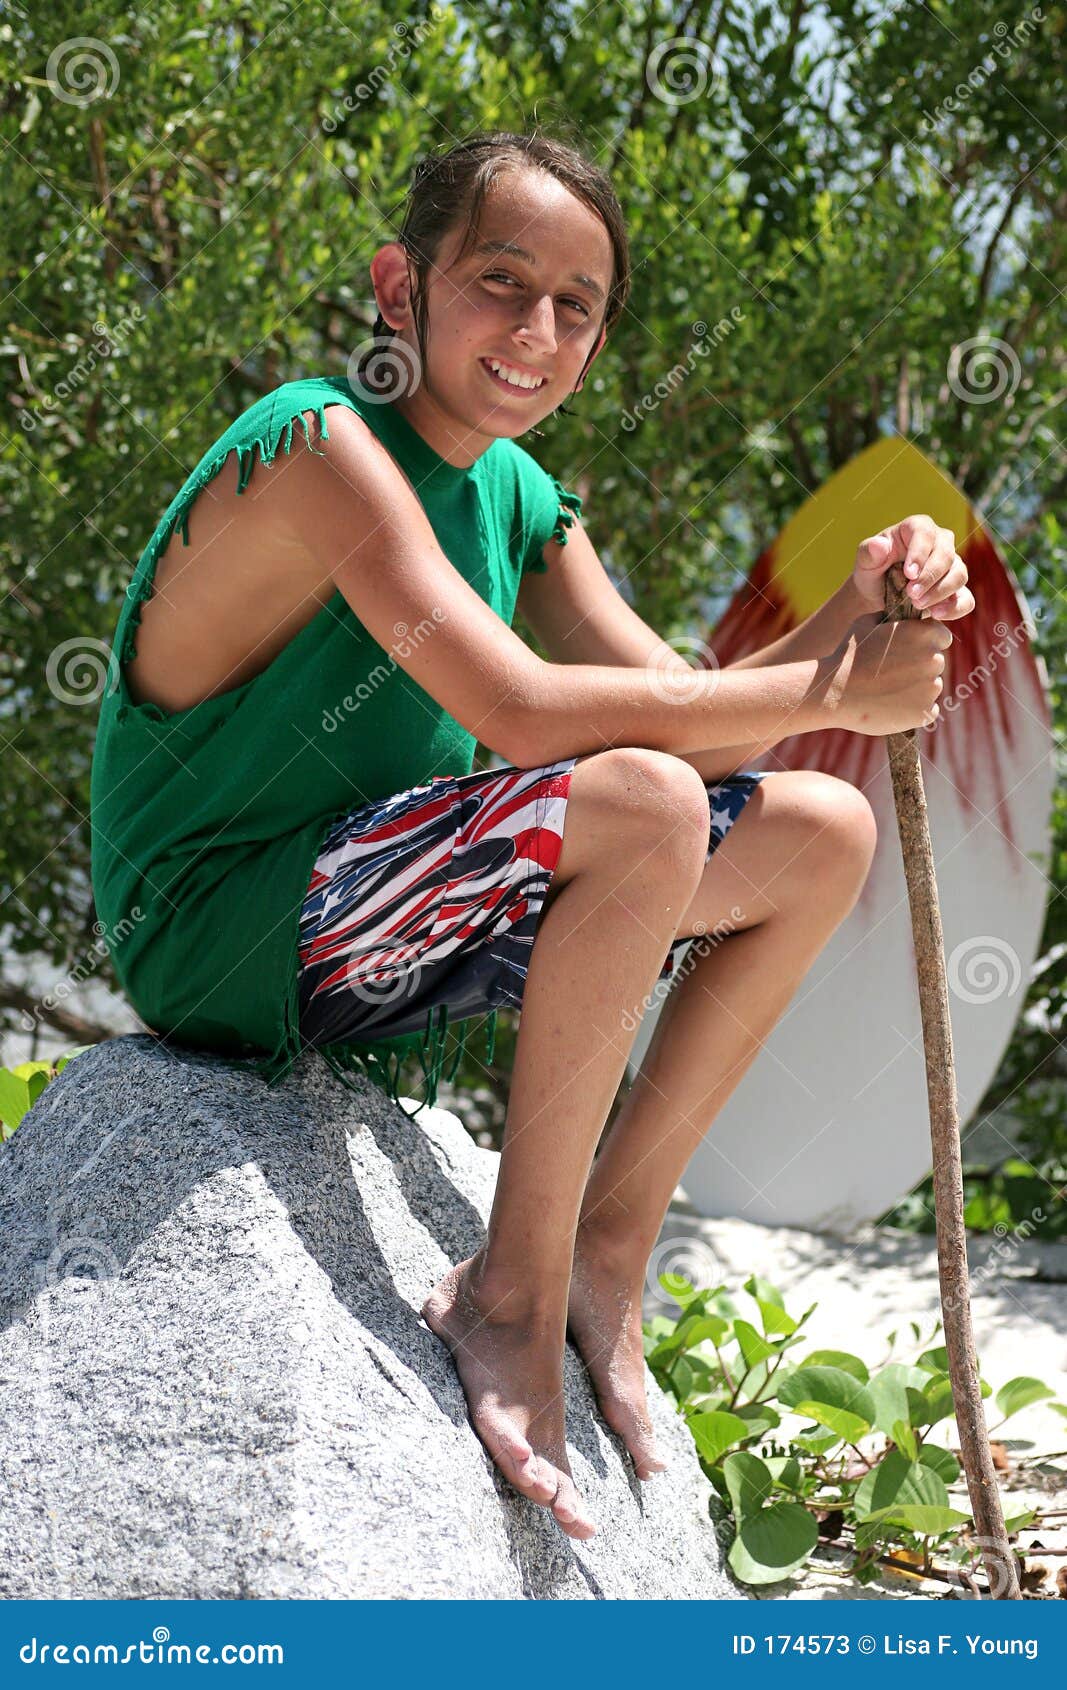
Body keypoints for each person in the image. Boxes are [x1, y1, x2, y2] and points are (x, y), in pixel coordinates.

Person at [90, 128, 974, 1543]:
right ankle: (506, 1292)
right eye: (502, 282)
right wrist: (835, 686)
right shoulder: (318, 442)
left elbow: (717, 723)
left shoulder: (519, 499)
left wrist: (858, 613)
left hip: (385, 905)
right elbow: (521, 710)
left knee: (818, 827)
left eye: (579, 307)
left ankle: (601, 1256)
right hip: (218, 924)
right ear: (402, 286)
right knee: (641, 803)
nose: (538, 331)